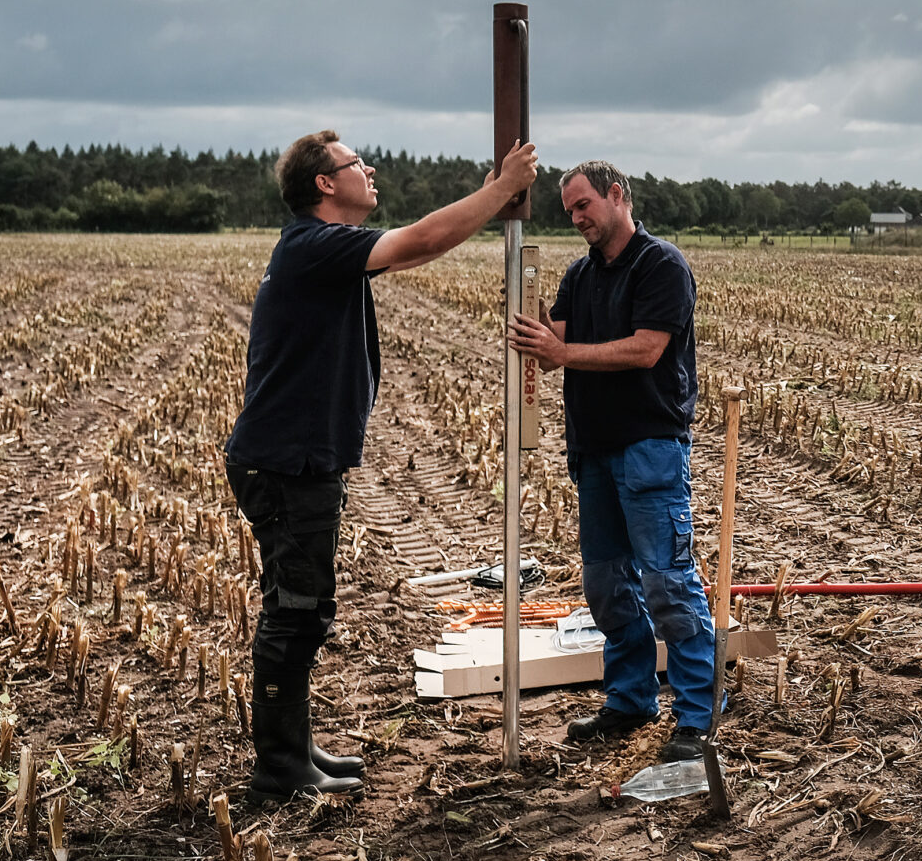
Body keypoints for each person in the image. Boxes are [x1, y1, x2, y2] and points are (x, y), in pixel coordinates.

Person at [226, 129, 541, 798]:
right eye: (355, 163)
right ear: (324, 183)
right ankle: (278, 765)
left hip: (297, 460)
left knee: (305, 610)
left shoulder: (321, 252)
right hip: (285, 463)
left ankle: (296, 748)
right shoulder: (313, 244)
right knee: (293, 608)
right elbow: (421, 241)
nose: (369, 170)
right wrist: (502, 189)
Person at [507, 161, 713, 763]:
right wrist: (527, 307)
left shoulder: (661, 265)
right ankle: (629, 700)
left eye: (583, 206)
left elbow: (647, 350)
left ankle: (697, 716)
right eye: (569, 210)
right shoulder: (578, 274)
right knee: (606, 585)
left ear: (617, 196)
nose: (576, 219)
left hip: (650, 445)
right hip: (593, 449)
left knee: (668, 583)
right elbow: (552, 351)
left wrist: (561, 349)